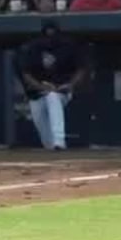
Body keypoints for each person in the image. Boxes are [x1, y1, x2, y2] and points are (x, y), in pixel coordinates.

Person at [17, 21, 89, 150]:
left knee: (53, 97)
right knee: (42, 130)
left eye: (53, 34)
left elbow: (81, 69)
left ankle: (59, 141)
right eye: (47, 34)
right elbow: (26, 74)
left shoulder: (68, 45)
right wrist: (41, 87)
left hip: (61, 89)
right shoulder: (33, 47)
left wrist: (70, 85)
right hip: (37, 92)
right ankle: (52, 147)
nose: (50, 37)